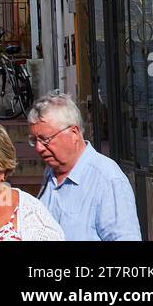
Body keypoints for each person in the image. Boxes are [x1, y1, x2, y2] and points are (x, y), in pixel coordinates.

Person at [28, 91, 141, 241]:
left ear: (73, 133)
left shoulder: (107, 178)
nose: (38, 148)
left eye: (45, 139)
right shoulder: (51, 171)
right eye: (34, 140)